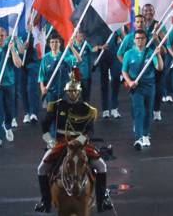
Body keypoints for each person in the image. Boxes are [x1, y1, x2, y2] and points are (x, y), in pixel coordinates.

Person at [35, 70, 112, 213]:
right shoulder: (57, 106)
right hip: (61, 143)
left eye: (75, 91)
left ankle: (102, 201)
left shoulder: (86, 109)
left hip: (81, 143)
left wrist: (80, 140)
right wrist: (49, 141)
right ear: (65, 91)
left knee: (101, 166)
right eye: (70, 91)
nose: (72, 94)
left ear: (79, 92)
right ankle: (45, 202)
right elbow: (44, 124)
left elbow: (90, 130)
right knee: (41, 169)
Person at [122, 29, 163, 150]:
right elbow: (124, 70)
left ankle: (146, 135)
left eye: (142, 38)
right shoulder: (128, 54)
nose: (140, 41)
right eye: (137, 38)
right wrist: (129, 82)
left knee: (147, 111)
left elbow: (159, 68)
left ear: (145, 40)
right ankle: (139, 137)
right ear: (134, 40)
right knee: (139, 111)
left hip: (149, 86)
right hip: (136, 87)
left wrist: (158, 55)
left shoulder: (151, 52)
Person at [40, 35, 75, 104]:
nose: (54, 44)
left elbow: (78, 60)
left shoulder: (65, 56)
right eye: (52, 42)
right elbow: (41, 75)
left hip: (63, 91)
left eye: (56, 42)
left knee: (62, 113)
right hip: (50, 92)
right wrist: (42, 88)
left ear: (60, 43)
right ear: (49, 44)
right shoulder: (45, 58)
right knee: (51, 113)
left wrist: (71, 47)